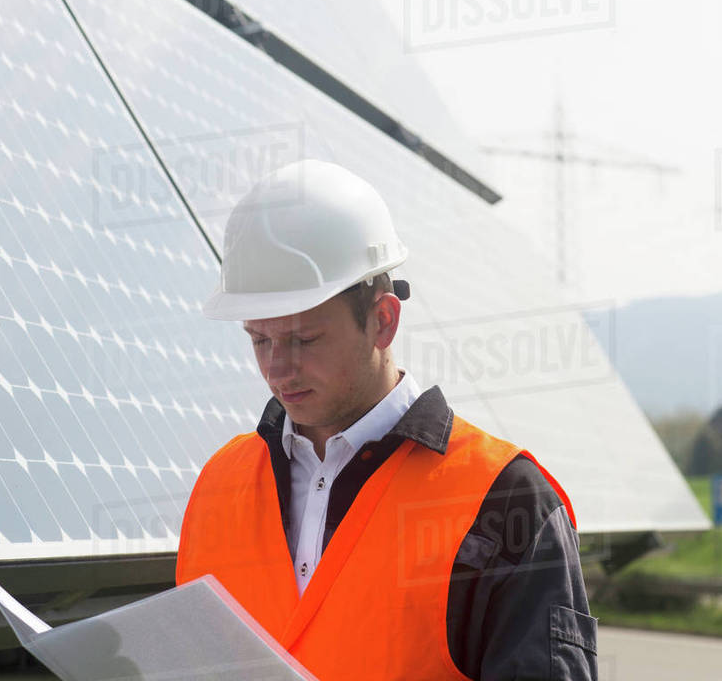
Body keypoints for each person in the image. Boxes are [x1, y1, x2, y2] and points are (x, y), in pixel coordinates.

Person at [176, 159, 597, 680]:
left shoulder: (504, 502)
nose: (277, 369)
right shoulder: (220, 483)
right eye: (258, 339)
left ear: (383, 320)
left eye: (304, 339)